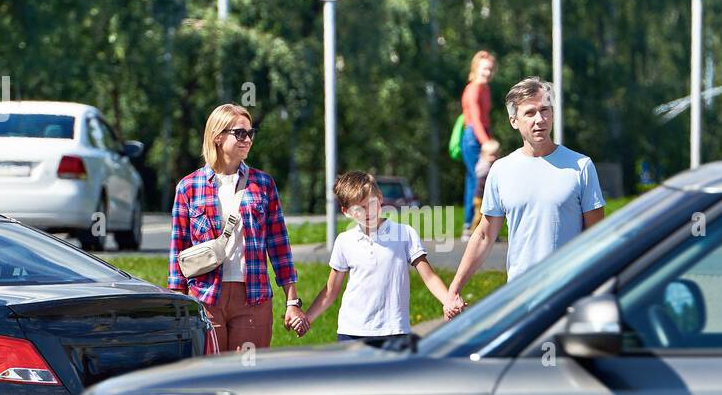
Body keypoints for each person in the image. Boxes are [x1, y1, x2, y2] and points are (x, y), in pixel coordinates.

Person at [445, 77, 605, 318]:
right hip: (520, 298)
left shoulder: (580, 166)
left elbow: (598, 237)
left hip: (569, 295)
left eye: (545, 111)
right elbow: (484, 235)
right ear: (514, 121)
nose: (539, 120)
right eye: (530, 113)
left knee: (561, 357)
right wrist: (454, 289)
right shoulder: (501, 170)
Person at [168, 104, 307, 351]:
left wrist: (292, 301)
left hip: (253, 297)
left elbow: (279, 246)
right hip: (205, 297)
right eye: (240, 133)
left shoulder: (263, 184)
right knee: (209, 375)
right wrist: (178, 303)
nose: (247, 139)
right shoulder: (188, 187)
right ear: (218, 137)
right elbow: (178, 248)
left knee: (248, 376)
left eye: (250, 133)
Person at [303, 171, 457, 345]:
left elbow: (429, 277)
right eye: (358, 208)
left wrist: (448, 301)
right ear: (346, 212)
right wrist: (306, 319)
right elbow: (331, 291)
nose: (367, 211)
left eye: (370, 204)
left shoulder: (404, 233)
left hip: (394, 330)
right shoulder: (344, 241)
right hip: (351, 332)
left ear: (380, 198)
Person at [460, 51, 496, 240]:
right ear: (476, 68)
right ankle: (474, 227)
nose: (487, 72)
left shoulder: (486, 89)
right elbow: (474, 119)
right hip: (473, 137)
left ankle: (472, 225)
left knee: (474, 181)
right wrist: (486, 143)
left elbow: (485, 118)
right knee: (480, 181)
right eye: (484, 68)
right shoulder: (473, 89)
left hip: (482, 134)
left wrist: (489, 138)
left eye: (490, 69)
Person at [470, 138, 501, 236]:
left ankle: (492, 234)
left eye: (496, 155)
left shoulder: (495, 166)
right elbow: (483, 185)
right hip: (480, 197)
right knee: (479, 216)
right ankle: (474, 232)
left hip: (491, 198)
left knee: (494, 217)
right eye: (491, 155)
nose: (493, 158)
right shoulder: (484, 169)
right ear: (484, 156)